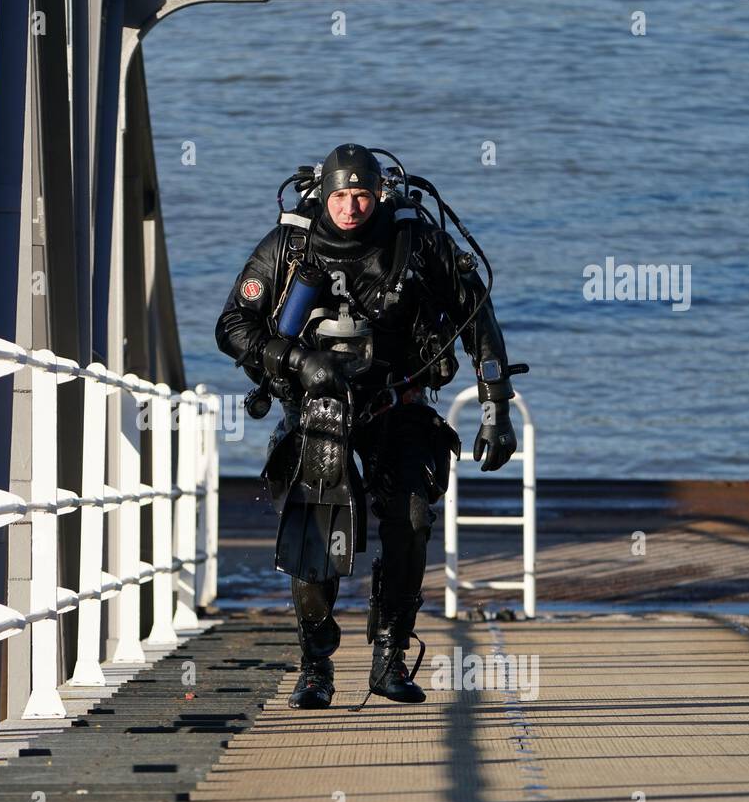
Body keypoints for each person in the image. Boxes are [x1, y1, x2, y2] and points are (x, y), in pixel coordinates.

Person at [215, 143, 521, 709]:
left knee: (409, 518)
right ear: (323, 195)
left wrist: (496, 408)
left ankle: (391, 657)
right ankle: (315, 667)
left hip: (396, 399)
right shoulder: (289, 243)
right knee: (317, 525)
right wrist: (295, 360)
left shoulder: (416, 241)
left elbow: (477, 317)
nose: (351, 207)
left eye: (361, 195)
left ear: (379, 193)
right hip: (318, 403)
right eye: (340, 195)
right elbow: (233, 323)